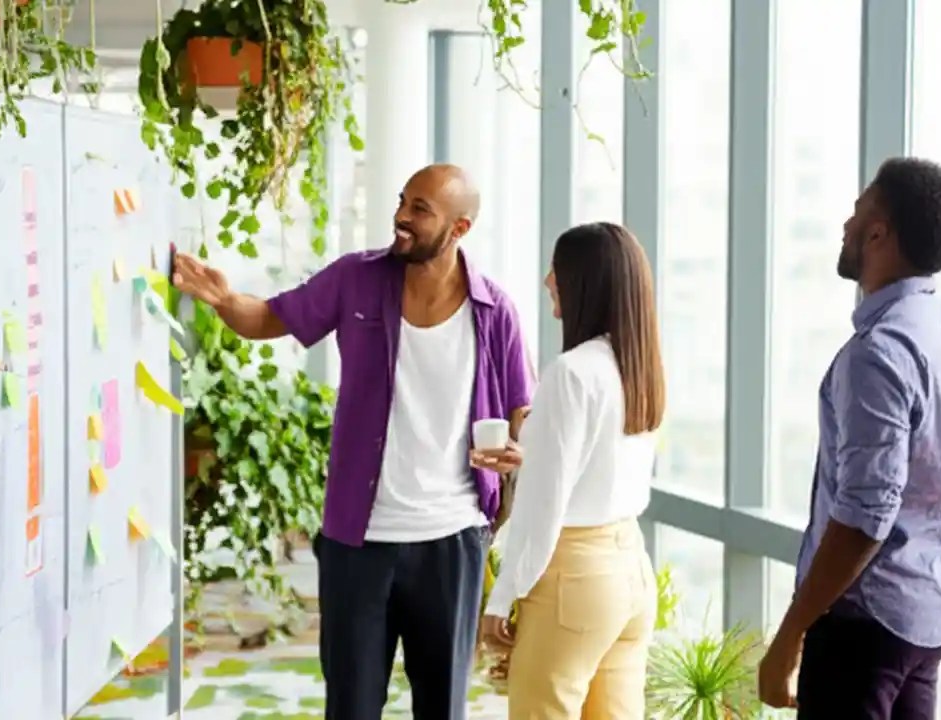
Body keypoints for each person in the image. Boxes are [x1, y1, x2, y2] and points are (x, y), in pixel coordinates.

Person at [171, 163, 535, 720]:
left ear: (459, 228)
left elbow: (522, 410)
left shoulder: (494, 312)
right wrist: (222, 299)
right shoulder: (356, 279)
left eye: (420, 209)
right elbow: (270, 318)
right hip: (358, 543)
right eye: (402, 201)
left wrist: (519, 450)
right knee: (351, 706)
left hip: (452, 541)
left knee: (443, 709)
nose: (401, 217)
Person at [758, 157, 941, 720]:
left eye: (856, 214)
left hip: (864, 629)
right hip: (923, 619)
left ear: (878, 232)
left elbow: (863, 516)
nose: (846, 226)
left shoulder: (877, 352)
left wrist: (789, 635)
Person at [473, 222, 663, 719]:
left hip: (573, 576)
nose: (546, 280)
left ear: (585, 280)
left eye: (557, 269)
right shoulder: (639, 364)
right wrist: (530, 457)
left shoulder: (572, 372)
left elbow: (543, 507)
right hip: (628, 570)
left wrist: (501, 599)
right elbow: (601, 461)